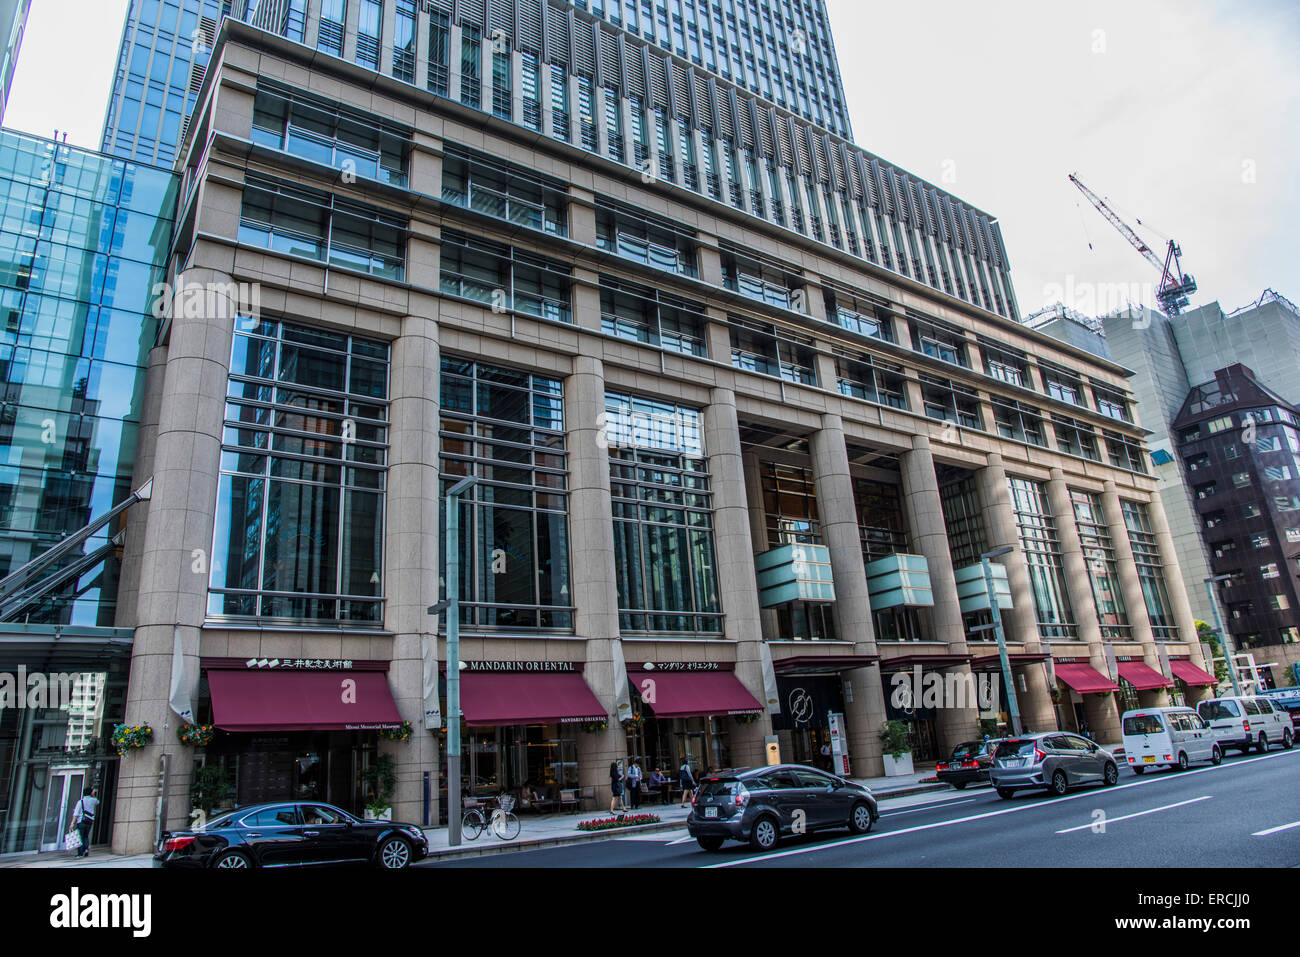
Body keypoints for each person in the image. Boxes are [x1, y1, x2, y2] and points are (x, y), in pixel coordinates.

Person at [70, 786, 99, 859]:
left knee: (80, 837)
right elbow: (97, 801)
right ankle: (86, 849)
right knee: (86, 836)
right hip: (89, 821)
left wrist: (72, 823)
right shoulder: (93, 800)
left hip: (81, 821)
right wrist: (94, 795)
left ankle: (80, 854)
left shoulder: (80, 802)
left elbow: (76, 813)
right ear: (90, 793)